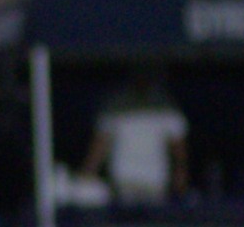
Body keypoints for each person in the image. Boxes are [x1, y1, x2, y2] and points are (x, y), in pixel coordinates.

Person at [80, 73, 188, 206]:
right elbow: (101, 142)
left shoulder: (164, 107)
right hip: (124, 180)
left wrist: (180, 172)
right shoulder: (116, 105)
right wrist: (88, 172)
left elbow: (178, 144)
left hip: (154, 180)